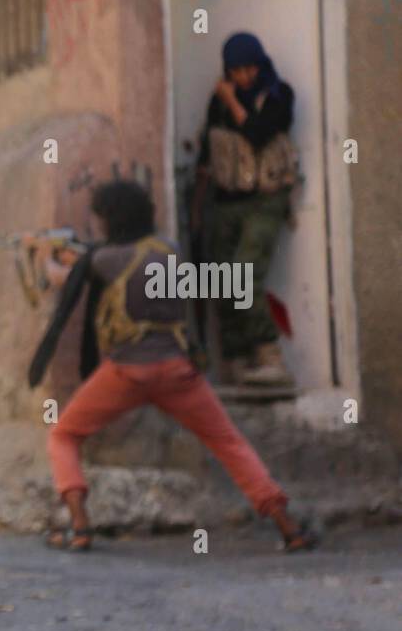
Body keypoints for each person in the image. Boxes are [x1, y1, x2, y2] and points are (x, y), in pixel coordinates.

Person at [27, 180, 315, 553]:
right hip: (178, 370)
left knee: (63, 436)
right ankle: (289, 528)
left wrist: (47, 255)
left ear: (111, 219)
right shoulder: (169, 251)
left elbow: (65, 276)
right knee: (229, 443)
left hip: (125, 372)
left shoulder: (104, 260)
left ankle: (80, 527)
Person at [193, 32, 297, 387]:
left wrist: (233, 100)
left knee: (244, 274)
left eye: (251, 67)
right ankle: (237, 360)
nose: (246, 76)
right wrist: (196, 208)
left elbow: (256, 133)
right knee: (222, 279)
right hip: (227, 199)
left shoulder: (279, 95)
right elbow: (208, 153)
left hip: (265, 197)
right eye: (237, 70)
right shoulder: (217, 103)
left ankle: (269, 355)